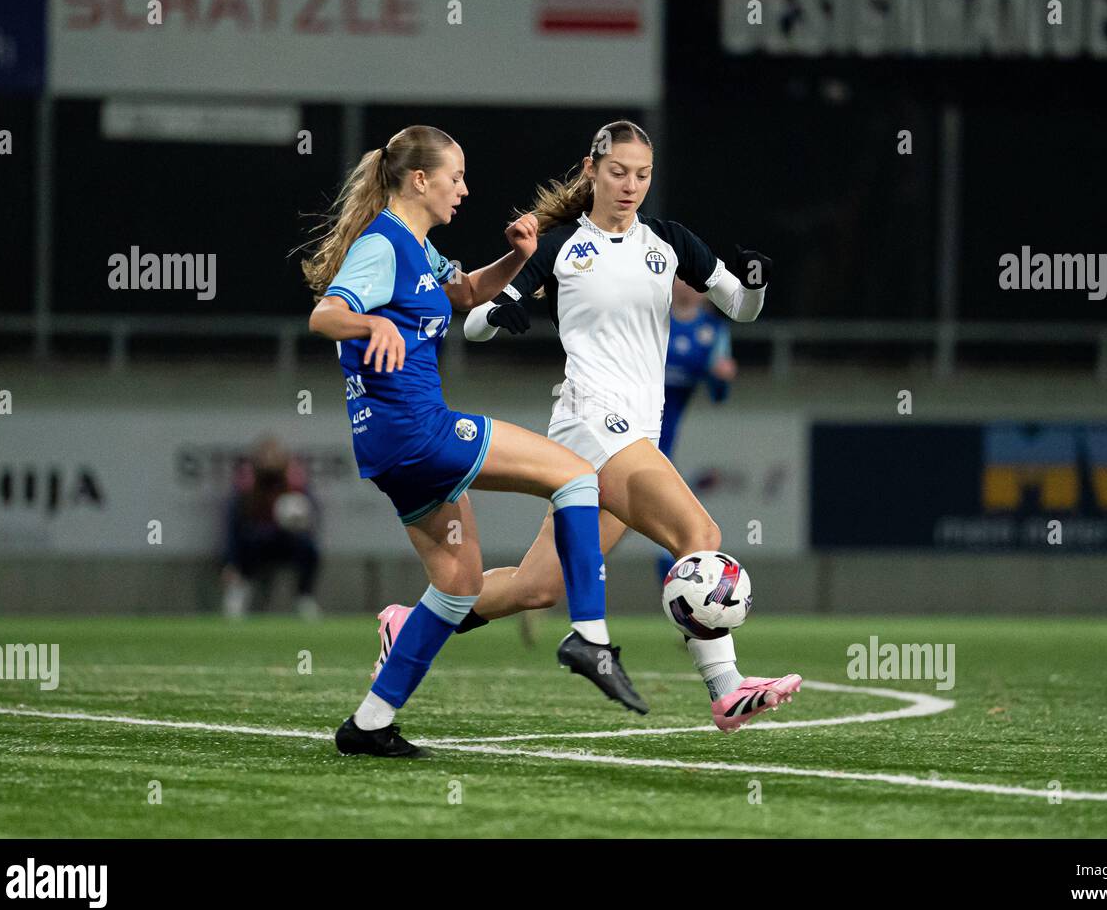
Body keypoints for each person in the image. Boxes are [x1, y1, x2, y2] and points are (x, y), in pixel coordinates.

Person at [373, 120, 801, 733]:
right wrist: (504, 314)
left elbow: (740, 307)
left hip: (633, 433)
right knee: (699, 531)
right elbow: (472, 323)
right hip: (592, 423)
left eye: (643, 175)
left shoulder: (670, 242)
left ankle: (405, 625)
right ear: (591, 170)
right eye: (619, 172)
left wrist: (756, 283)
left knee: (534, 588)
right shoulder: (559, 247)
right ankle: (725, 689)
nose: (631, 185)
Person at [302, 125, 647, 759]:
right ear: (420, 180)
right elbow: (325, 315)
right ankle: (590, 639)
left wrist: (519, 257)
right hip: (419, 431)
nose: (465, 188)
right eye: (456, 177)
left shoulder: (415, 246)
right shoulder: (383, 244)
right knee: (576, 476)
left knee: (459, 584)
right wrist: (370, 319)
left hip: (389, 449)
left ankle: (370, 723)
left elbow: (463, 294)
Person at [652, 277, 737, 581]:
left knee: (678, 529)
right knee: (681, 529)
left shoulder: (714, 332)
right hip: (628, 433)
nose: (687, 286)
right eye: (681, 279)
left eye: (694, 280)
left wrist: (721, 378)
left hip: (662, 445)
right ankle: (551, 583)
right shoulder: (652, 319)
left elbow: (719, 396)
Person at [221, 435, 321, 620]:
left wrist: (299, 521)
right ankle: (239, 591)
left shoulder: (295, 483)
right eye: (265, 455)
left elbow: (313, 515)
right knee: (248, 541)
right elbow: (232, 527)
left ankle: (304, 597)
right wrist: (230, 562)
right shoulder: (246, 488)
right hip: (257, 544)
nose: (270, 460)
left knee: (309, 548)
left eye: (274, 454)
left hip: (287, 542)